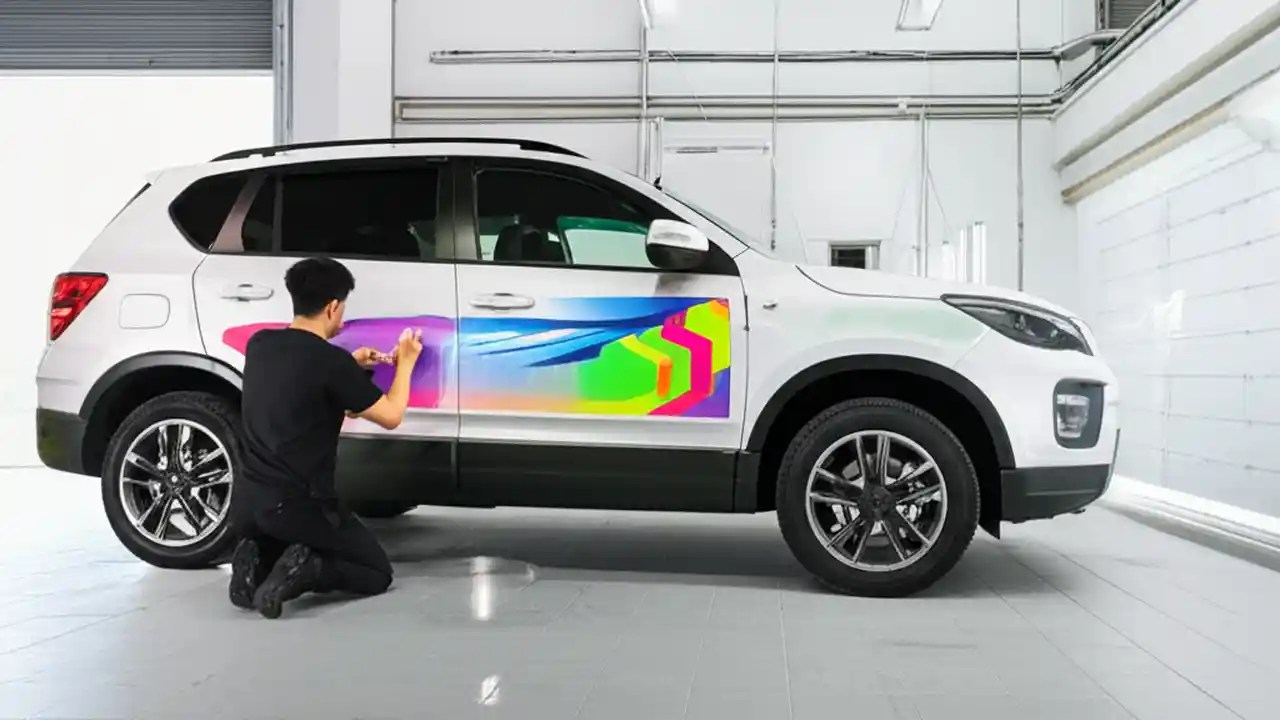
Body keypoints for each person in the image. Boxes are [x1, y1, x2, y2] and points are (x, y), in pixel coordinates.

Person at [227, 256, 423, 619]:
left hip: (248, 503)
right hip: (299, 506)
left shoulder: (260, 345)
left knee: (279, 532)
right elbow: (391, 416)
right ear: (333, 307)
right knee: (376, 573)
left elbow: (314, 393)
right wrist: (406, 362)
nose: (343, 319)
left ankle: (255, 558)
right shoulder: (332, 363)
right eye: (343, 309)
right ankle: (311, 571)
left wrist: (352, 367)